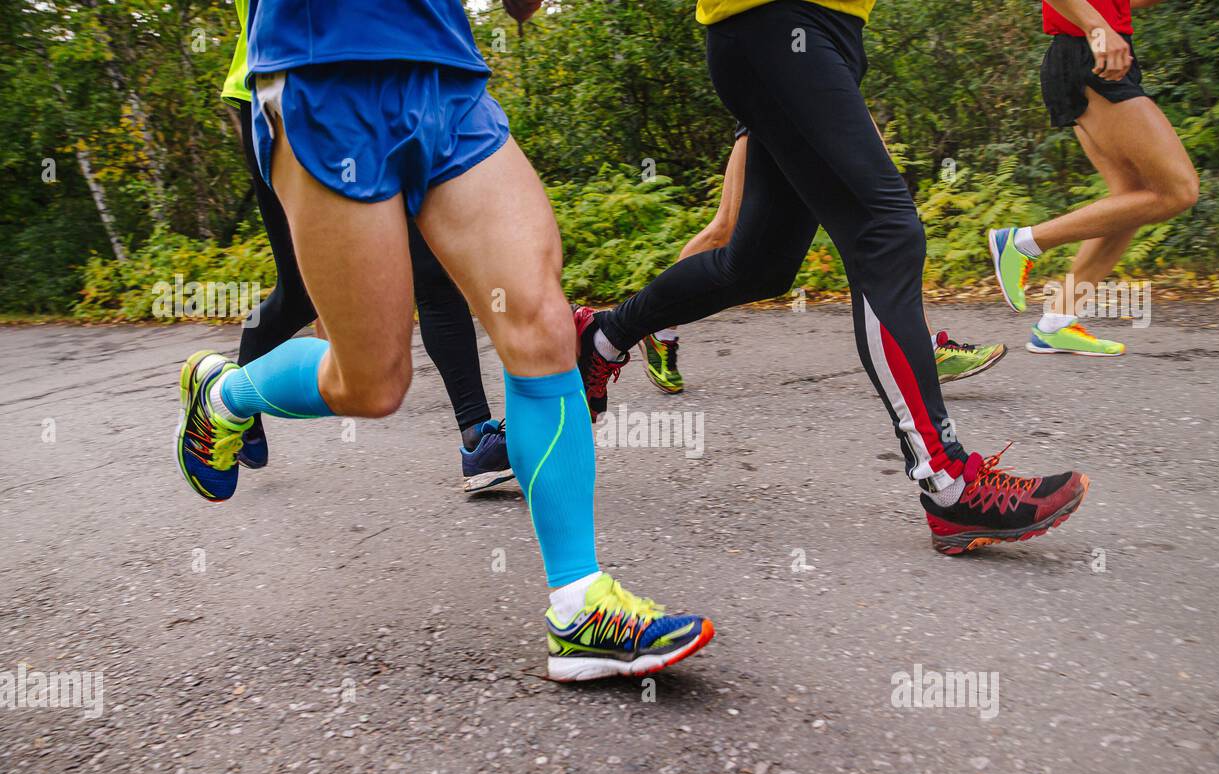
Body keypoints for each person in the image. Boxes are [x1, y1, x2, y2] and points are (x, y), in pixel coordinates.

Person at [177, 0, 713, 680]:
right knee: (372, 384)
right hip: (324, 69)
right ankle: (225, 395)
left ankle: (580, 609)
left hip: (446, 73)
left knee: (541, 322)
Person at [575, 0, 1089, 556]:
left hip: (819, 36)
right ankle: (949, 483)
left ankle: (603, 336)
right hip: (775, 24)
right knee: (886, 234)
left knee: (758, 265)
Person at [219, 0, 512, 494]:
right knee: (301, 294)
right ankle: (230, 397)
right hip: (284, 88)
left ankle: (476, 436)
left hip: (394, 73)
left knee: (432, 271)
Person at [639, 125, 1006, 394]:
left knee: (883, 217)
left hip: (819, 105)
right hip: (773, 105)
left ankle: (922, 350)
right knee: (726, 230)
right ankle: (658, 328)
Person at [987, 0, 1198, 356]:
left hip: (1096, 52)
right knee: (1178, 191)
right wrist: (1098, 28)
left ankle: (1057, 322)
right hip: (1089, 52)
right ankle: (1022, 242)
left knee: (1131, 199)